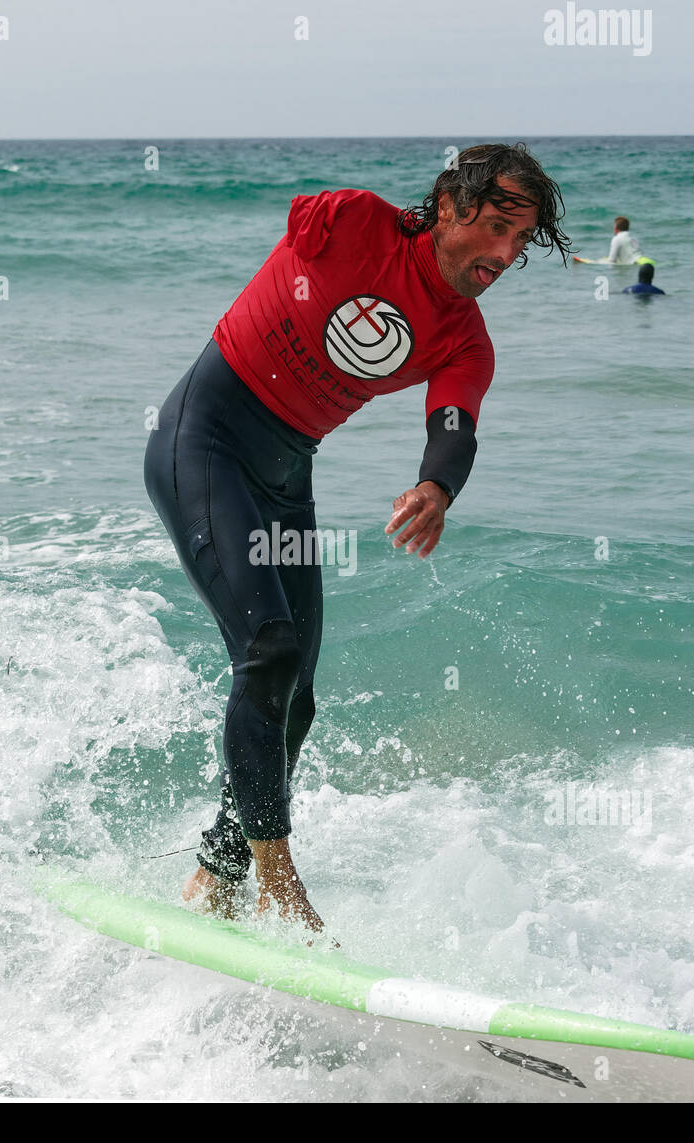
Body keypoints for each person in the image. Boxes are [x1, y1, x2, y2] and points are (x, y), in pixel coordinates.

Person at [143, 145, 570, 931]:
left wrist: (438, 485)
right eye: (498, 227)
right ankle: (278, 881)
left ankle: (219, 873)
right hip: (202, 445)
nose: (507, 254)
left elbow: (455, 425)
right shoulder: (353, 222)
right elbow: (303, 218)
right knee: (266, 650)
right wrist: (368, 232)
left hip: (284, 482)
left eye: (524, 238)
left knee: (295, 697)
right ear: (449, 206)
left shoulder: (465, 340)